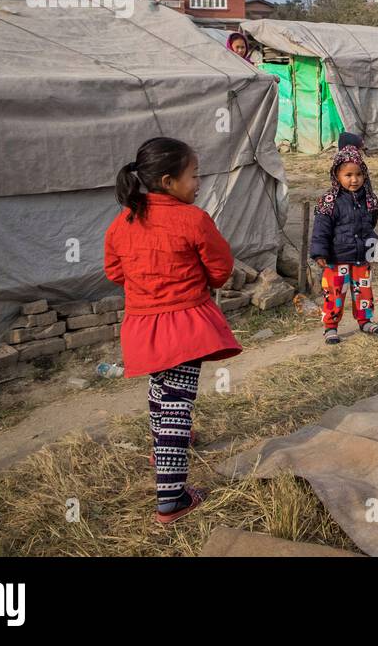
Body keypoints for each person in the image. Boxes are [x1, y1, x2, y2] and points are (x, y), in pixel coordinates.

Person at [103, 136, 242, 524]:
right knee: (178, 406)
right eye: (193, 176)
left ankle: (159, 445)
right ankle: (172, 499)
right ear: (167, 181)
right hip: (184, 325)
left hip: (141, 325)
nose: (198, 183)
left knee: (160, 389)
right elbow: (220, 268)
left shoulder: (123, 221)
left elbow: (115, 272)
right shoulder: (193, 220)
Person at [310, 146, 378, 343]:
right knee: (334, 294)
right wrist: (319, 253)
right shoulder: (329, 201)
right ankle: (330, 328)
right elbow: (320, 230)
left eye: (359, 174)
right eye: (348, 175)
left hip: (361, 258)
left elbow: (370, 225)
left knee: (364, 292)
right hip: (336, 259)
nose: (354, 179)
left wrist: (371, 253)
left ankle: (365, 321)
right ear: (337, 175)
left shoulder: (370, 200)